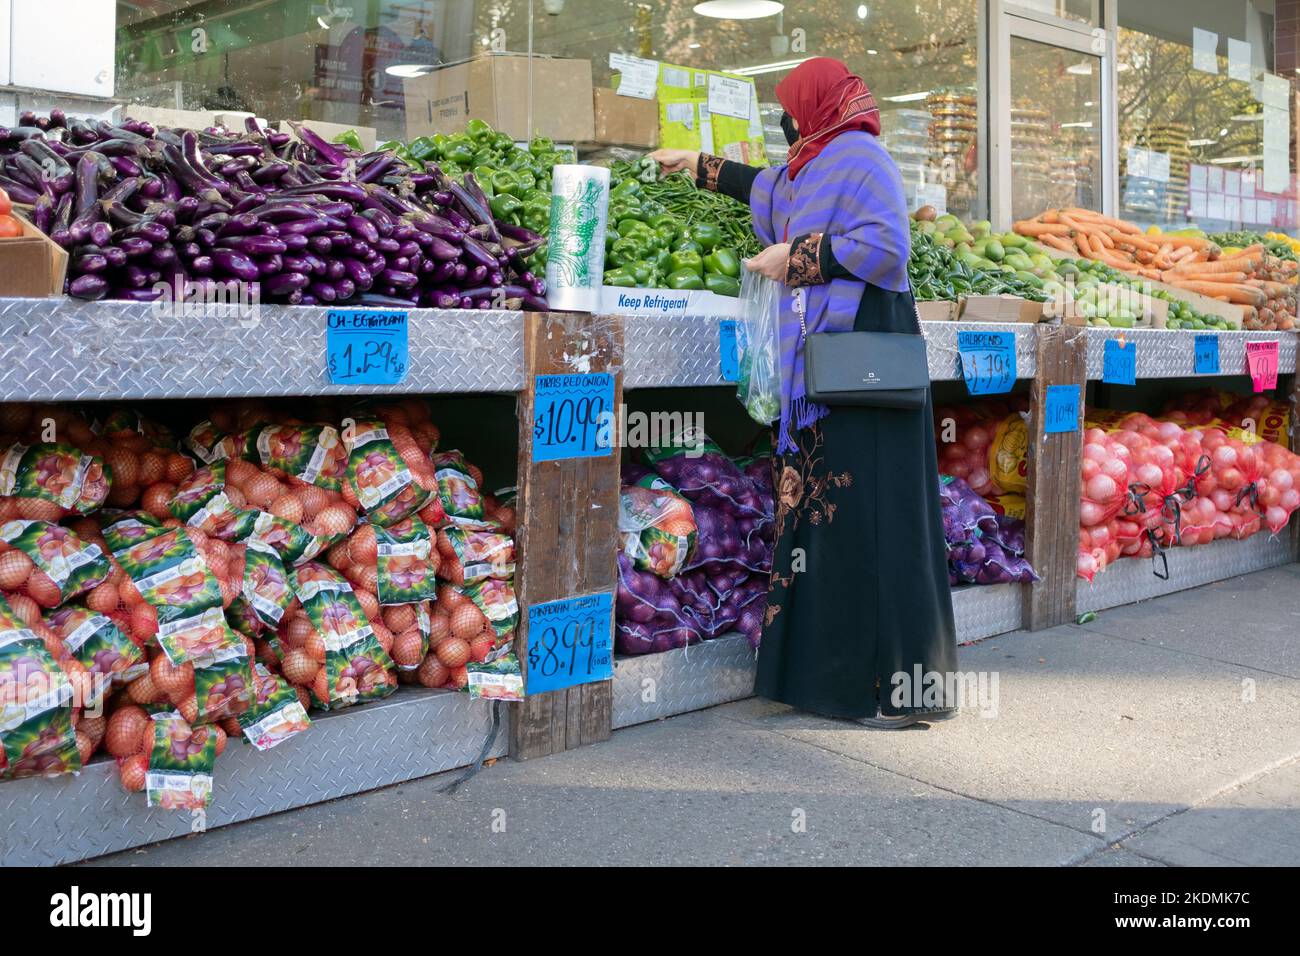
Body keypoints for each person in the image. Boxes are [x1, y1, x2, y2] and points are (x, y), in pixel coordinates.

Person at [650, 57, 957, 729]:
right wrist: (700, 166)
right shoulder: (813, 161)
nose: (786, 120)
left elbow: (887, 248)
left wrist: (800, 259)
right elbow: (774, 192)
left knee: (869, 515)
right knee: (821, 519)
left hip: (864, 358)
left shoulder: (864, 158)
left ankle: (884, 688)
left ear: (819, 105)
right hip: (823, 362)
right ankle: (824, 677)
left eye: (793, 107)